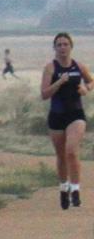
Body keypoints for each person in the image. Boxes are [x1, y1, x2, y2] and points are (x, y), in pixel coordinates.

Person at [42, 32, 87, 209]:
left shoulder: (78, 66)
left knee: (71, 151)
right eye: (59, 45)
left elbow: (91, 82)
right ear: (54, 48)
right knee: (61, 155)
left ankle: (75, 189)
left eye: (65, 44)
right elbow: (44, 94)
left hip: (75, 114)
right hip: (56, 115)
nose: (62, 48)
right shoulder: (50, 68)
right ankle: (63, 188)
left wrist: (86, 88)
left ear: (71, 47)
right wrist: (59, 83)